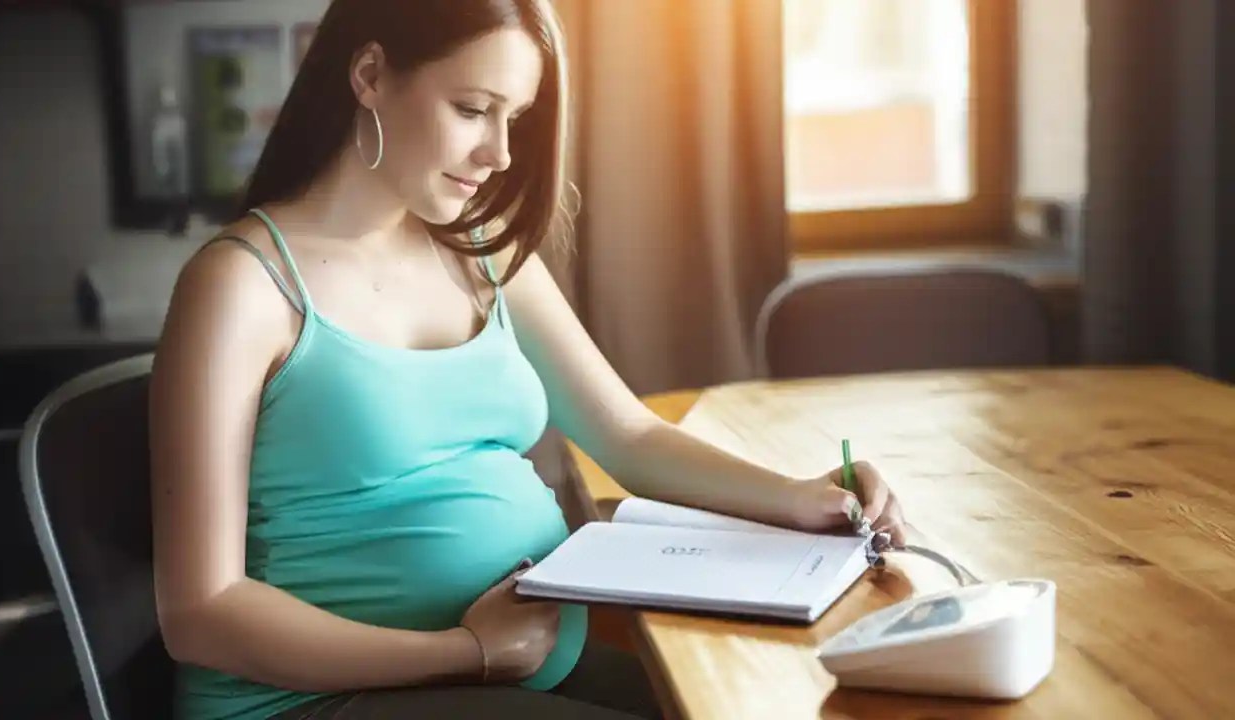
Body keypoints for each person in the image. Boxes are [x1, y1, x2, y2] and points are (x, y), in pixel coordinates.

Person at [149, 1, 908, 718]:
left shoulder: (483, 248)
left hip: (524, 663)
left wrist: (804, 497)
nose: (501, 153)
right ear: (371, 75)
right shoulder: (242, 286)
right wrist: (463, 652)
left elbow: (627, 437)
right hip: (320, 700)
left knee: (776, 699)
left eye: (513, 118)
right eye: (473, 109)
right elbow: (201, 611)